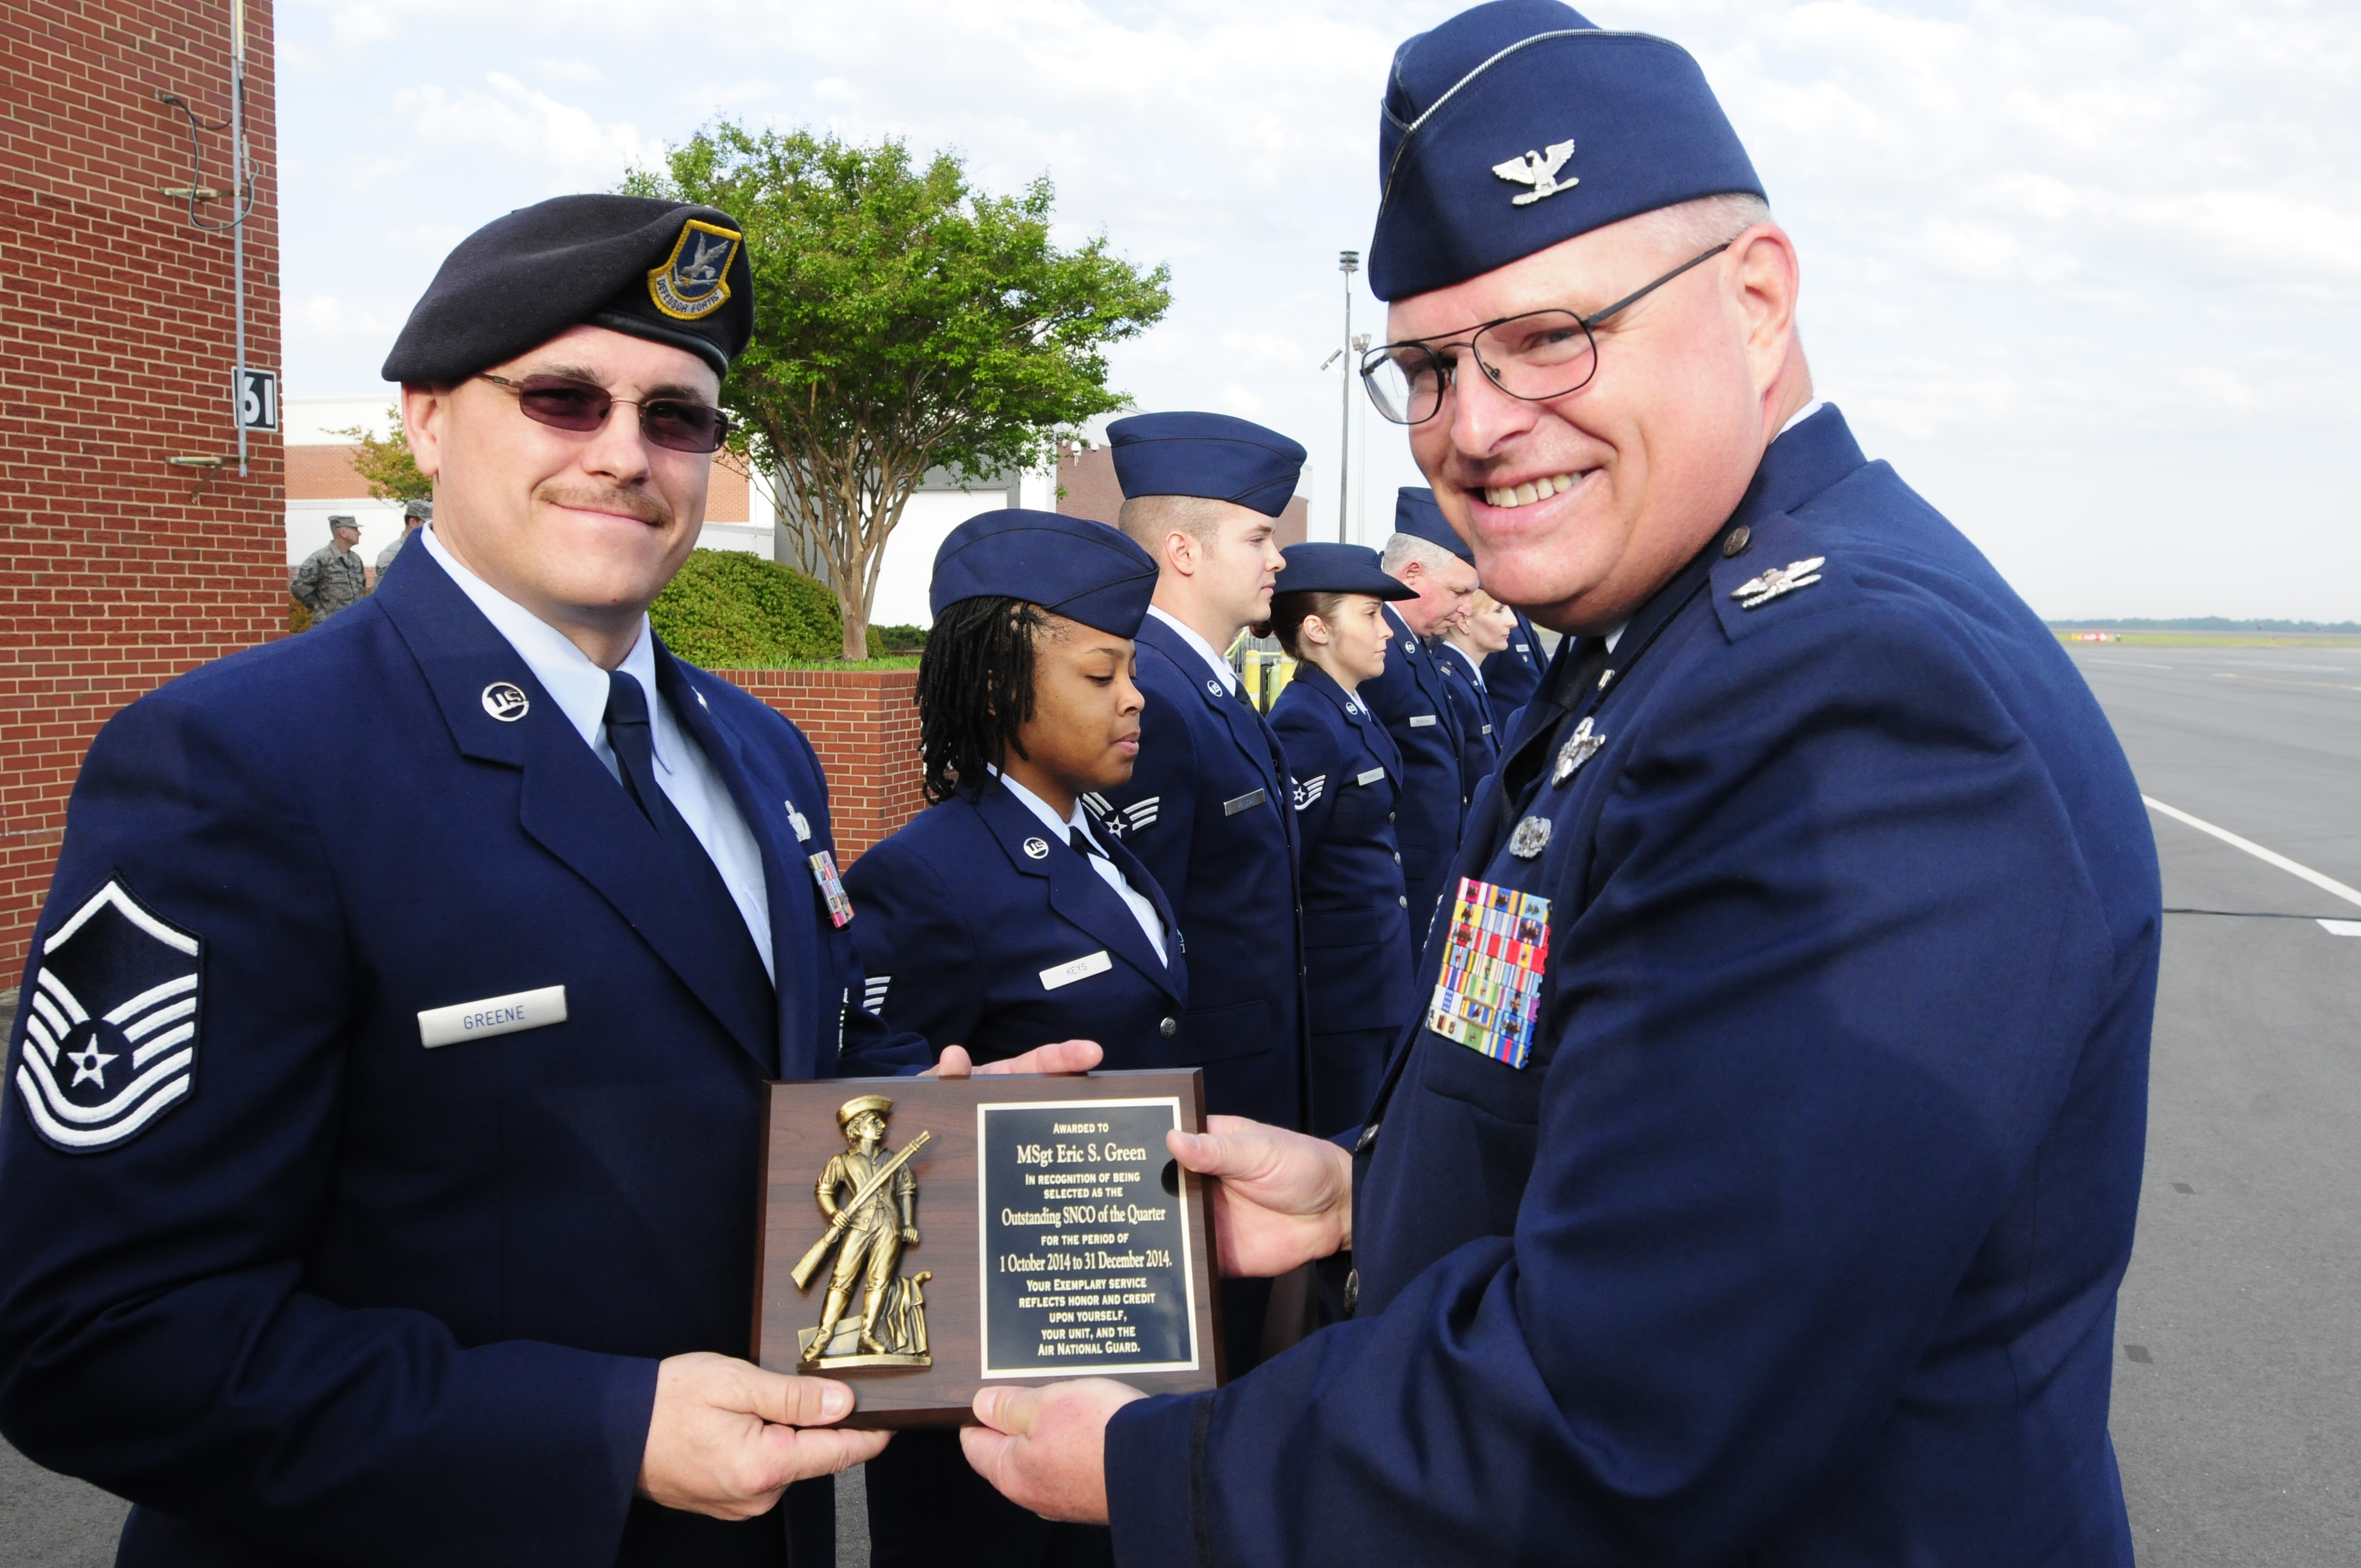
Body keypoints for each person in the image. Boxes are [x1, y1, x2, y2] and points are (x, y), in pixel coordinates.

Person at [959, 4, 2161, 1565]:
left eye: (1548, 336)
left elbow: (1633, 1403)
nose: (1476, 425)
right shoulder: (1674, 635)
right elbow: (1647, 1132)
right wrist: (1356, 1200)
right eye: (1429, 367)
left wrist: (1156, 1468)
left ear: (1756, 301)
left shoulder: (1850, 697)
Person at [0, 193, 1090, 1567]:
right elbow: (99, 1337)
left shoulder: (759, 752)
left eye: (678, 416)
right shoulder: (238, 762)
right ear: (427, 417)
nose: (626, 455)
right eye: (565, 399)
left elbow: (749, 1061)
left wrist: (927, 1120)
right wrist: (605, 1424)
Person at [843, 506, 1178, 1568]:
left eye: (1130, 670)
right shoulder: (925, 872)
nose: (1133, 698)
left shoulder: (1102, 835)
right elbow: (865, 1108)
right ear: (998, 688)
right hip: (997, 1368)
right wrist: (945, 1104)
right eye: (1099, 673)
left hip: (1109, 1312)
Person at [1094, 412, 1306, 1136]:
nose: (1278, 559)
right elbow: (1141, 945)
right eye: (1258, 538)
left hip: (1253, 1077)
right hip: (1206, 1099)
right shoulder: (1153, 697)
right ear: (1183, 551)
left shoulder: (1201, 683)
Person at [1256, 543, 1418, 1138]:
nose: (1386, 633)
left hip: (1376, 980)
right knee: (1344, 1149)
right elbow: (1288, 863)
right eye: (1371, 615)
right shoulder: (1307, 720)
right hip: (1342, 992)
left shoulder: (1349, 709)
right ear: (1317, 629)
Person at [1359, 487, 1478, 938]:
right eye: (1458, 591)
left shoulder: (1416, 647)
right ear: (1412, 574)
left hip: (1430, 876)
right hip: (1398, 890)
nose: (1465, 609)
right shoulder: (1378, 653)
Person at [1437, 588, 1517, 796]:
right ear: (1464, 622)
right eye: (1499, 610)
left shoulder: (1465, 675)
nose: (1513, 621)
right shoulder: (1450, 683)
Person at [291, 514, 367, 621]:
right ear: (343, 532)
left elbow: (362, 588)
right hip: (329, 624)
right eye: (355, 529)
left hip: (353, 623)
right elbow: (298, 586)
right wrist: (320, 608)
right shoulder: (320, 558)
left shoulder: (355, 559)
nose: (359, 533)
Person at [374, 496, 431, 589]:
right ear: (413, 523)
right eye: (428, 524)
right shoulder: (392, 554)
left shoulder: (428, 550)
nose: (432, 528)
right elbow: (382, 592)